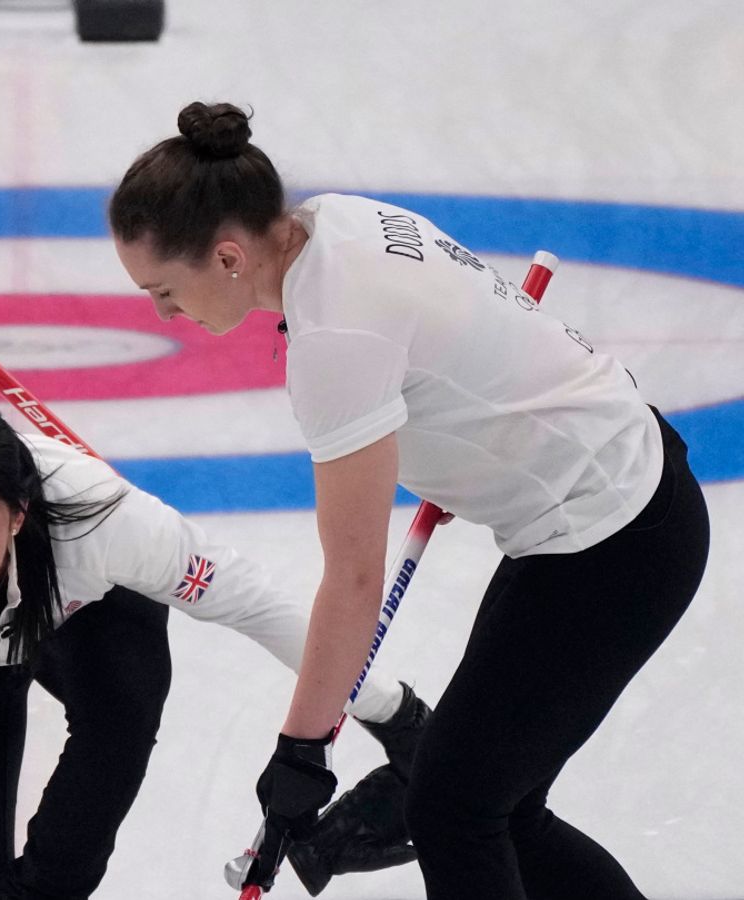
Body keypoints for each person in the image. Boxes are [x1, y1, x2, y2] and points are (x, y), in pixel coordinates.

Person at [107, 102, 709, 899]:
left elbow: (354, 579)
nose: (162, 314)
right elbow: (459, 351)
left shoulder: (333, 340)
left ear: (225, 257)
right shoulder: (339, 224)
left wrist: (301, 746)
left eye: (163, 291)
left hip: (612, 540)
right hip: (614, 496)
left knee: (457, 808)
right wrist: (463, 451)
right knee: (495, 806)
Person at [0, 402, 428, 900]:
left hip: (87, 615)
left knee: (121, 707)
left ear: (17, 513)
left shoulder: (104, 521)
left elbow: (253, 603)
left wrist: (393, 714)